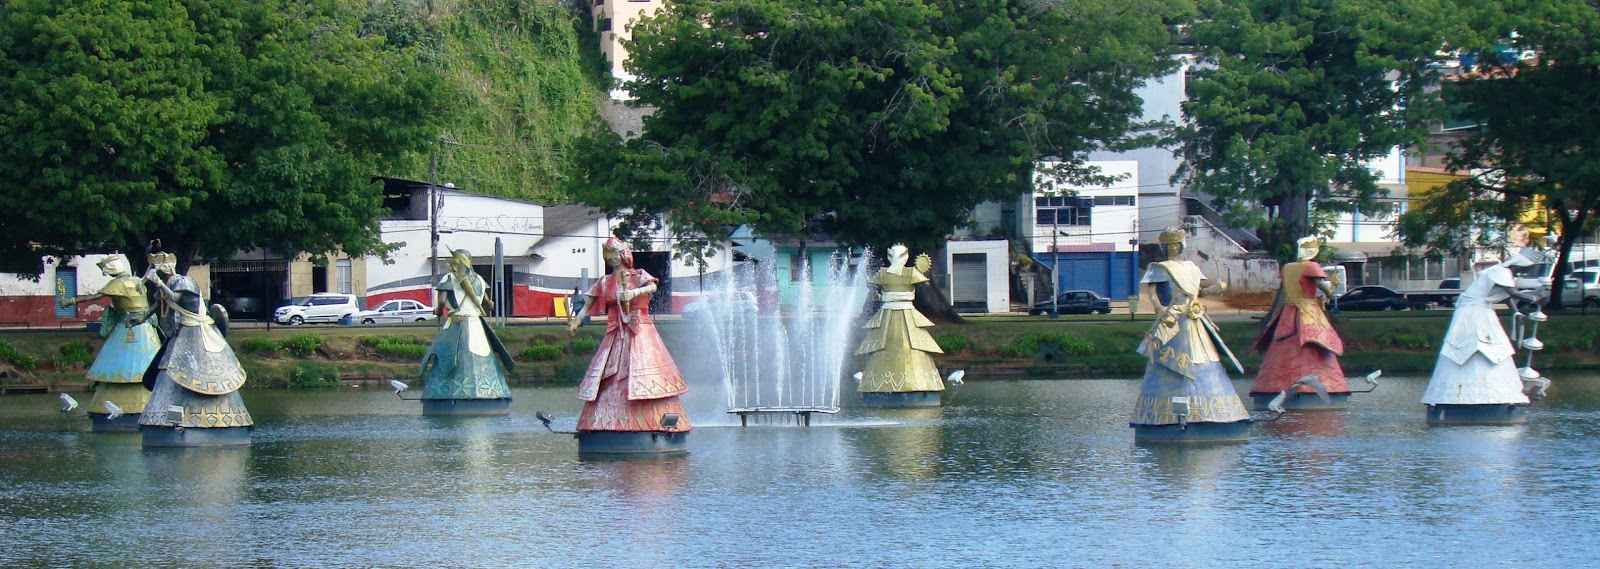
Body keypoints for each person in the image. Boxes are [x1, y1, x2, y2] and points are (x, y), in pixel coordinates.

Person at [1131, 227, 1250, 441]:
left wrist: (1214, 290)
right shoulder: (1159, 267)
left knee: (1204, 360)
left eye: (1175, 244)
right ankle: (1164, 416)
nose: (1172, 248)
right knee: (1169, 361)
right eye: (1169, 245)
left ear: (1181, 246)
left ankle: (1216, 413)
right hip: (1173, 320)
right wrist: (1159, 309)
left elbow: (1198, 292)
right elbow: (1152, 292)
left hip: (1194, 319)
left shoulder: (1191, 268)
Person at [567, 238, 691, 434]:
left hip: (639, 329)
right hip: (616, 332)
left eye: (615, 254)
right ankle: (604, 423)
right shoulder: (605, 281)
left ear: (623, 255)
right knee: (610, 372)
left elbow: (652, 286)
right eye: (609, 255)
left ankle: (650, 421)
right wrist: (576, 320)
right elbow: (588, 302)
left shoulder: (638, 274)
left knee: (644, 370)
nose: (613, 259)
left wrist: (634, 293)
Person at [1421, 247, 1550, 424]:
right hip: (1474, 312)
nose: (1525, 272)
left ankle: (1500, 396)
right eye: (1525, 268)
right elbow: (1512, 293)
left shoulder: (1501, 274)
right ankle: (1468, 399)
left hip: (1480, 311)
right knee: (1472, 347)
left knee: (1490, 348)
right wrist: (1534, 298)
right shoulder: (1501, 272)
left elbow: (1506, 296)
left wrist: (1516, 311)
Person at [138, 248, 252, 444]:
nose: (156, 274)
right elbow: (157, 305)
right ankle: (160, 421)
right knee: (167, 368)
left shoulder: (184, 282)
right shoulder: (166, 285)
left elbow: (174, 298)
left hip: (196, 332)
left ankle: (213, 423)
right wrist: (139, 320)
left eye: (158, 271)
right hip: (180, 333)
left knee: (200, 369)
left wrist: (158, 283)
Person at [56, 254, 158, 430]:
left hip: (129, 327)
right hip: (146, 328)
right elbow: (147, 277)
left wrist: (70, 301)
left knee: (130, 367)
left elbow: (94, 297)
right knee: (152, 364)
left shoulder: (117, 284)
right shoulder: (135, 280)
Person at [1248, 236, 1348, 407]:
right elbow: (1322, 288)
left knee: (1283, 349)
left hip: (1287, 314)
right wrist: (1331, 288)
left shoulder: (1287, 268)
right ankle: (1318, 393)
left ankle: (1271, 387)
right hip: (1308, 312)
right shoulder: (1311, 267)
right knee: (1316, 346)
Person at [855, 244, 945, 405]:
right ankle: (884, 388)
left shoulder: (907, 273)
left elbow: (922, 282)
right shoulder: (888, 273)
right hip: (892, 313)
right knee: (892, 345)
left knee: (909, 346)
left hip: (901, 312)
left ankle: (914, 387)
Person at [421, 249, 513, 407]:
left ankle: (444, 393)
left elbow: (442, 301)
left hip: (457, 323)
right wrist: (489, 305)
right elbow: (488, 303)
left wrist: (439, 311)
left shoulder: (449, 278)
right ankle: (491, 391)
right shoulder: (480, 279)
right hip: (477, 324)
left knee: (448, 355)